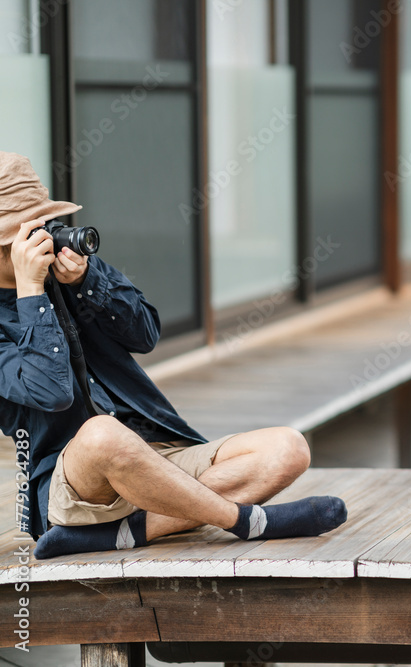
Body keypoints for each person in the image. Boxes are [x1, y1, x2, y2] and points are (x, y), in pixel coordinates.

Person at [0, 151, 347, 560]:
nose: (37, 240)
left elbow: (146, 332)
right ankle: (245, 521)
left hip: (153, 455)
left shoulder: (69, 269)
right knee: (101, 434)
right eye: (16, 234)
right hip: (72, 482)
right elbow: (51, 392)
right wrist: (31, 293)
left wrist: (87, 278)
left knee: (289, 448)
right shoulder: (29, 291)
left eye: (41, 224)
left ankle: (125, 533)